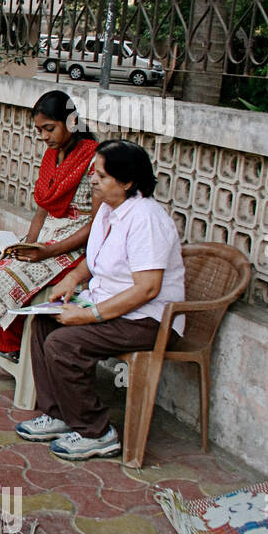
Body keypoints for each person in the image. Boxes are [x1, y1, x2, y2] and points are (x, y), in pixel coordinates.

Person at [16, 139, 186, 461]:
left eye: (102, 176)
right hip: (112, 306)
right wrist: (72, 279)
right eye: (94, 172)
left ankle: (97, 432)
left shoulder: (145, 219)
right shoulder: (109, 211)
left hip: (147, 319)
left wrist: (90, 315)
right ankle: (60, 415)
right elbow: (94, 262)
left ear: (127, 182)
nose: (93, 180)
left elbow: (148, 288)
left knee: (65, 343)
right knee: (42, 322)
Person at [0, 91, 99, 355]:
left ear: (70, 123)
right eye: (40, 131)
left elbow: (95, 224)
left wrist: (48, 251)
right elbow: (41, 210)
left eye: (49, 128)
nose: (44, 137)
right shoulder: (52, 156)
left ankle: (19, 346)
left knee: (1, 276)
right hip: (45, 239)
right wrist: (27, 245)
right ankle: (10, 342)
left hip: (73, 247)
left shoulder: (94, 159)